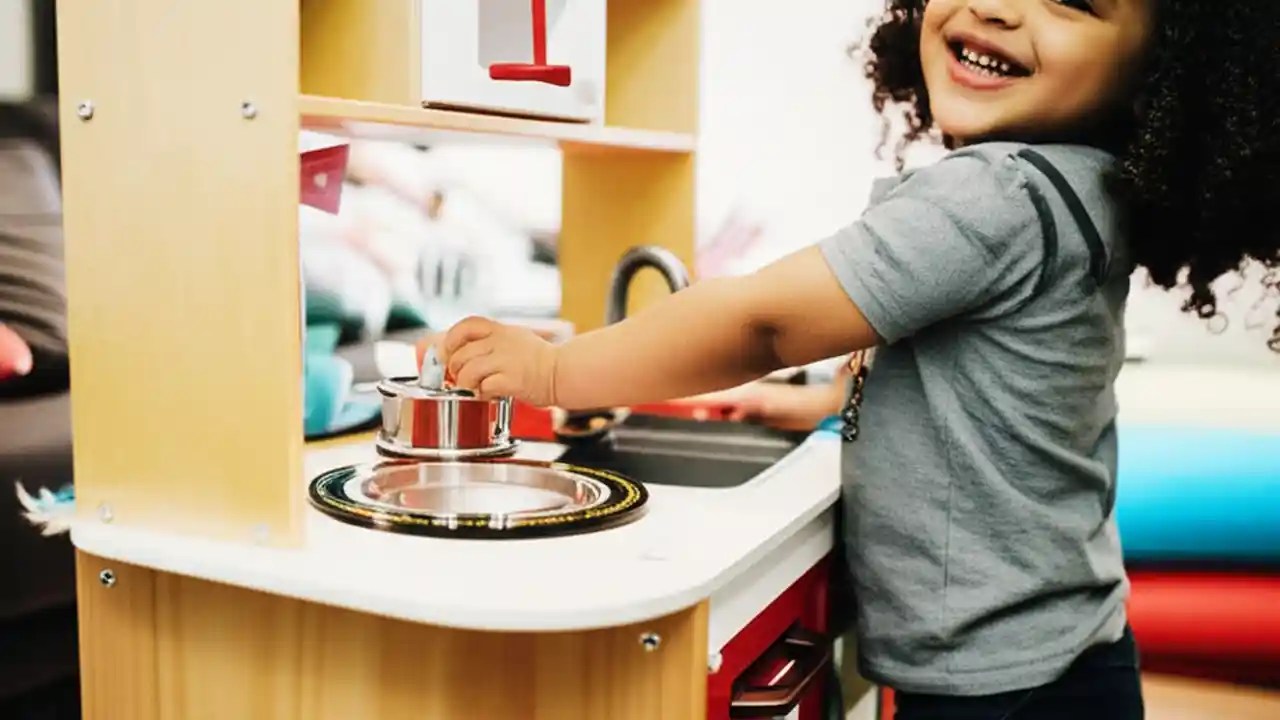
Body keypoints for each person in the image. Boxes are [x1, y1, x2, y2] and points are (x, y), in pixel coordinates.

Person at [435, 0, 1279, 717]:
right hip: (1067, 651)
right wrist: (817, 406)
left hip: (996, 679)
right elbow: (977, 376)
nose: (999, 7)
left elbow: (763, 323)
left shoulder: (996, 194)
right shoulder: (1084, 185)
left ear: (1160, 70)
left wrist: (555, 372)